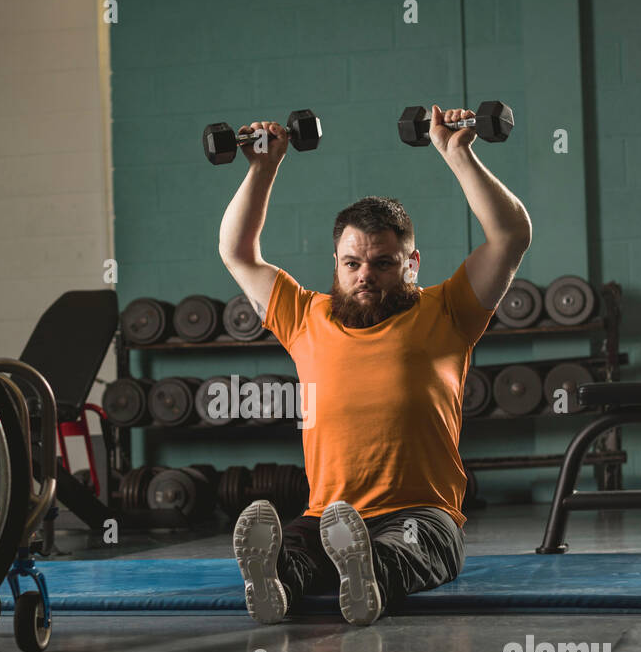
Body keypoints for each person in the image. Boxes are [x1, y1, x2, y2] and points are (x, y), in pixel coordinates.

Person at [218, 106, 531, 625]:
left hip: (421, 514)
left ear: (411, 264)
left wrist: (458, 153)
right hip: (329, 517)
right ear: (336, 265)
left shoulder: (450, 311)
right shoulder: (304, 316)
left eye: (384, 263)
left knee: (408, 548)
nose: (366, 275)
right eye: (353, 263)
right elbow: (237, 252)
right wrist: (262, 168)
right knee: (297, 548)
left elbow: (511, 235)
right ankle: (277, 582)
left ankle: (370, 576)